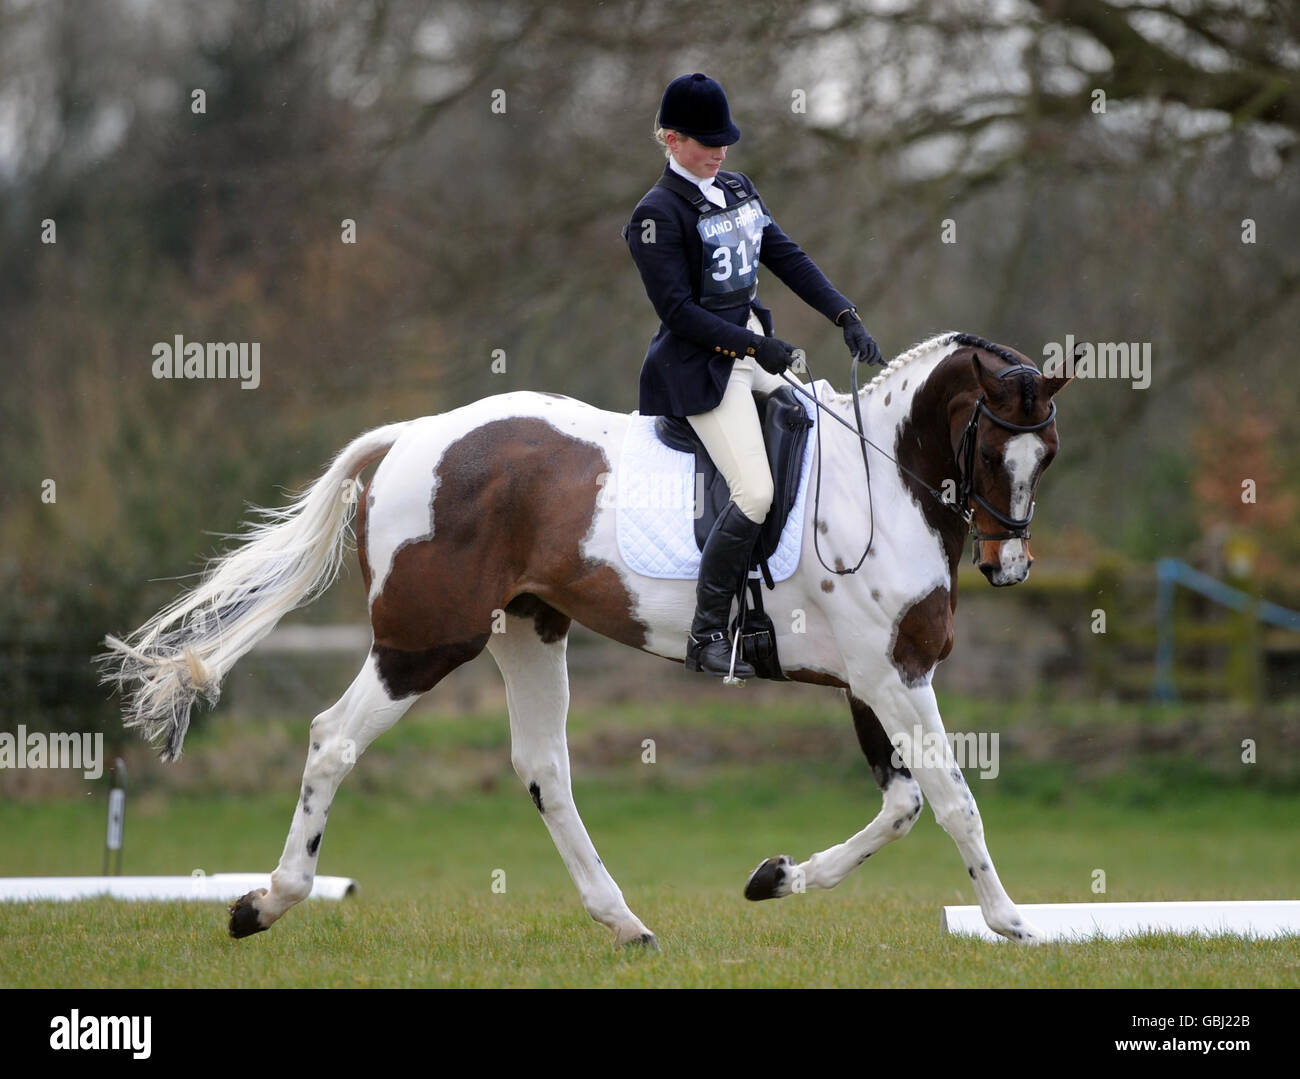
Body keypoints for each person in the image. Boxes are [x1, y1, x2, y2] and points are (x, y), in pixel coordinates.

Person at [624, 72, 882, 680]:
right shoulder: (654, 215)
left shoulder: (737, 188)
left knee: (826, 418)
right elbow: (678, 312)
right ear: (669, 138)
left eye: (724, 142)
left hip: (749, 350)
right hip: (701, 370)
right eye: (705, 142)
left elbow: (785, 254)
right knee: (755, 493)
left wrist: (844, 313)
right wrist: (751, 346)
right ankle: (708, 629)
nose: (719, 152)